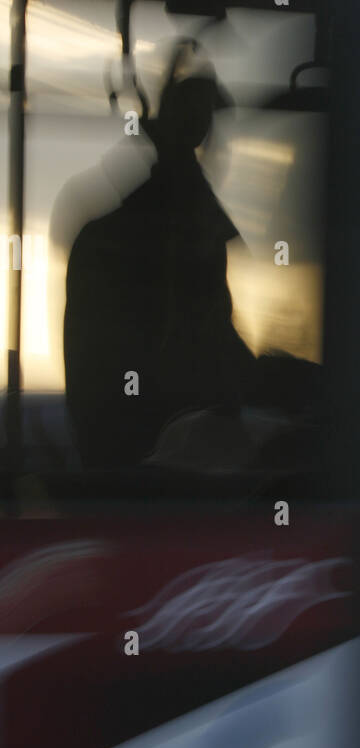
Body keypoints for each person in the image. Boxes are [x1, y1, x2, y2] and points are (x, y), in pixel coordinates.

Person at [63, 50, 258, 471]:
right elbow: (203, 347)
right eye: (206, 129)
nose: (216, 147)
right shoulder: (171, 234)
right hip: (163, 466)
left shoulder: (138, 228)